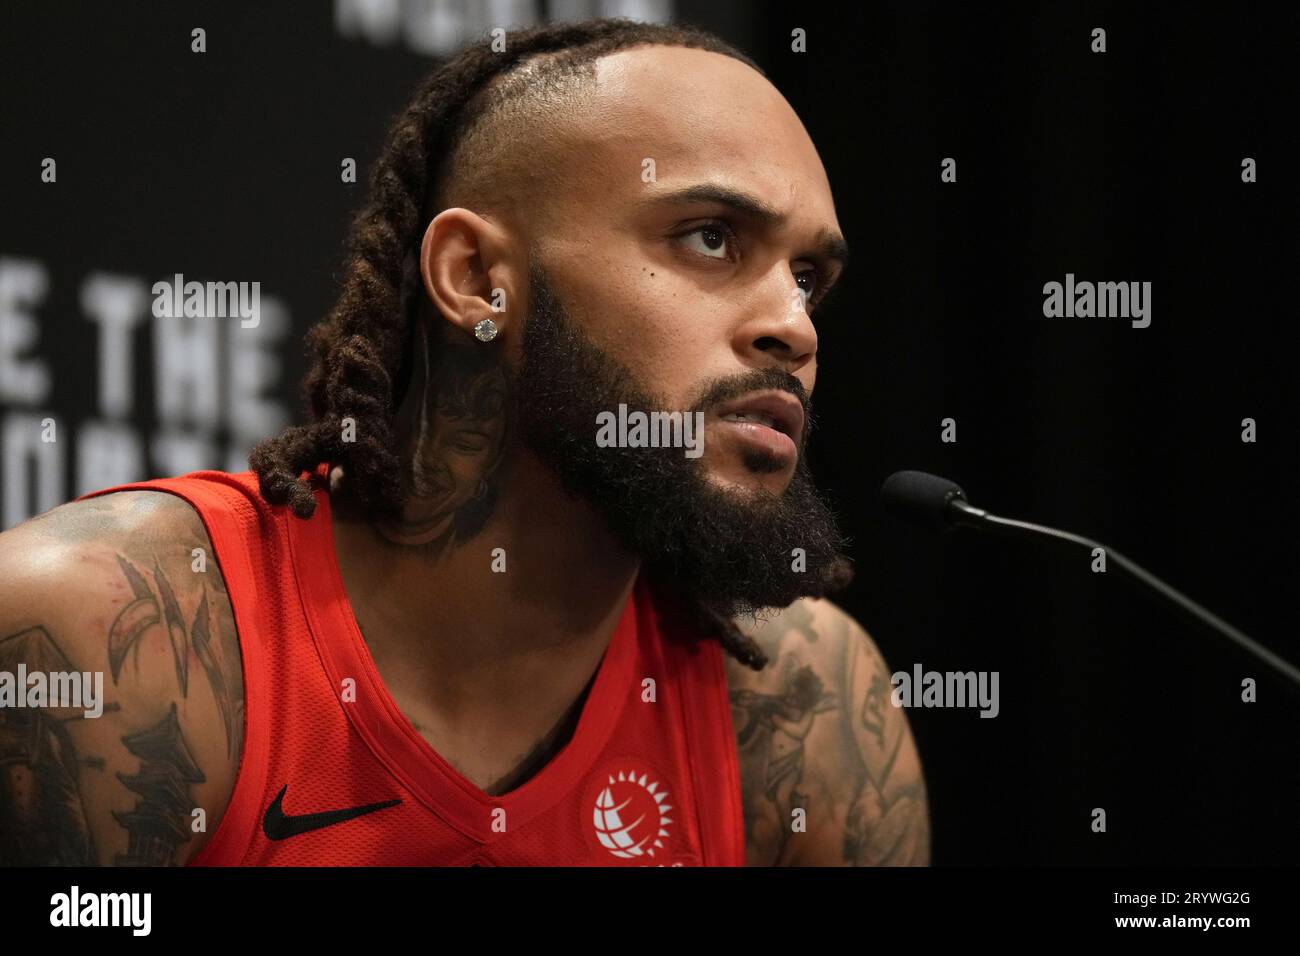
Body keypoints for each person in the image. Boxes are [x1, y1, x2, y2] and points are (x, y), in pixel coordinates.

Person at [0, 17, 928, 866]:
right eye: (711, 239)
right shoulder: (107, 640)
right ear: (478, 277)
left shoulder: (801, 707)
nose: (793, 328)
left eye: (808, 276)